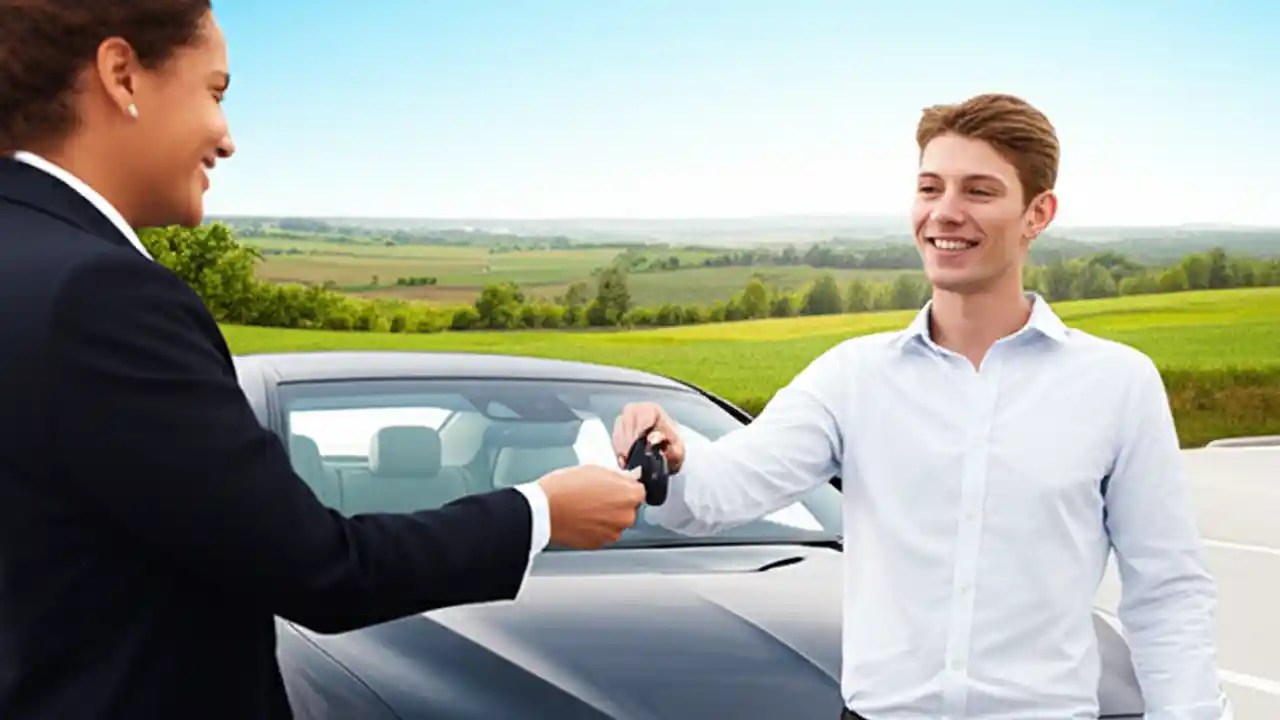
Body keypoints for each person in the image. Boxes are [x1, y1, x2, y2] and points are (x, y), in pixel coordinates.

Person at [0, 2, 645, 718]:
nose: (228, 139)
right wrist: (542, 511)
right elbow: (319, 569)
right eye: (215, 93)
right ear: (122, 75)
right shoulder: (103, 295)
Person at [614, 93, 1232, 719]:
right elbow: (715, 498)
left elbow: (1167, 593)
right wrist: (672, 457)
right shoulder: (853, 376)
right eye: (930, 188)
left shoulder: (1117, 384)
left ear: (1037, 213)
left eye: (979, 192)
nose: (945, 213)